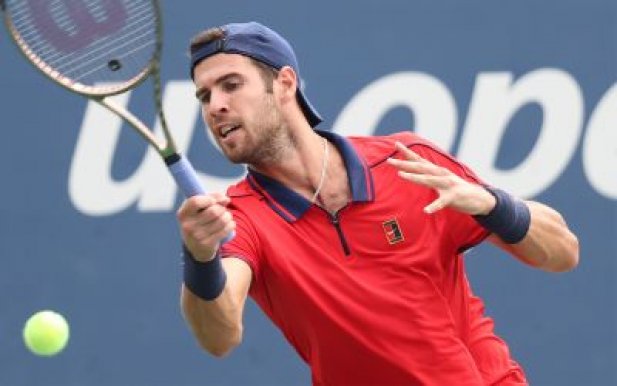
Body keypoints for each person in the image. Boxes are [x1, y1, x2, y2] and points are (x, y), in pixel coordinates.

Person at [177, 21, 579, 386]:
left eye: (231, 85)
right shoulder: (240, 217)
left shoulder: (407, 163)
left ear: (284, 84)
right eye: (205, 95)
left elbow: (562, 253)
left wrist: (491, 204)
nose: (215, 106)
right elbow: (219, 337)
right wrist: (199, 256)